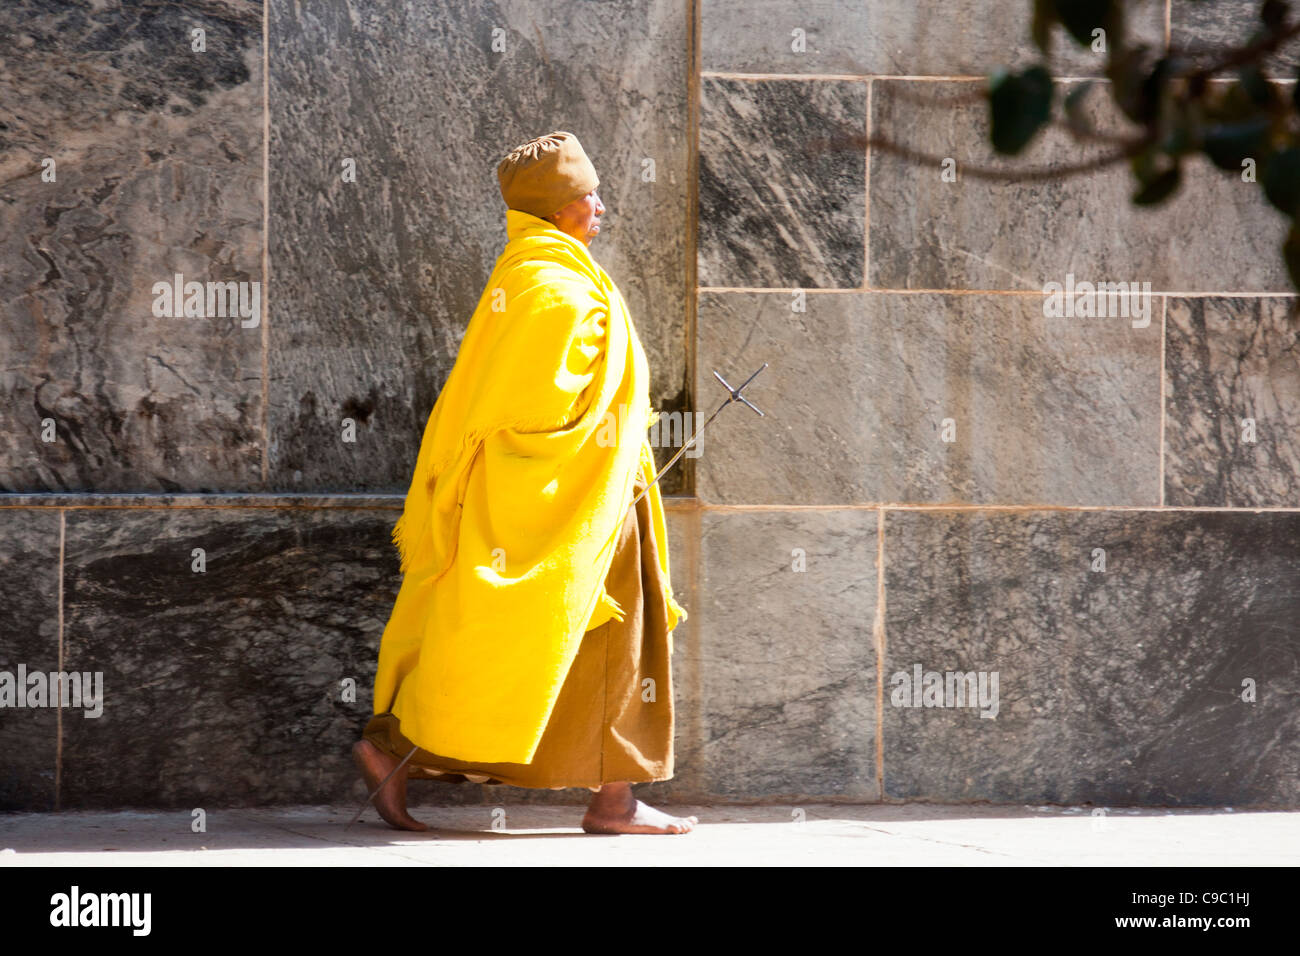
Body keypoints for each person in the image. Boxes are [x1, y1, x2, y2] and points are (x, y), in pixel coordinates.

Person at [352, 131, 697, 835]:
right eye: (585, 197)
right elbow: (532, 412)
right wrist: (604, 445)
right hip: (570, 505)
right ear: (555, 208)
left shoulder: (532, 273)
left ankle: (601, 796)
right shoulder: (556, 288)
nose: (599, 207)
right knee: (597, 643)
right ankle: (608, 801)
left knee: (531, 649)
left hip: (581, 495)